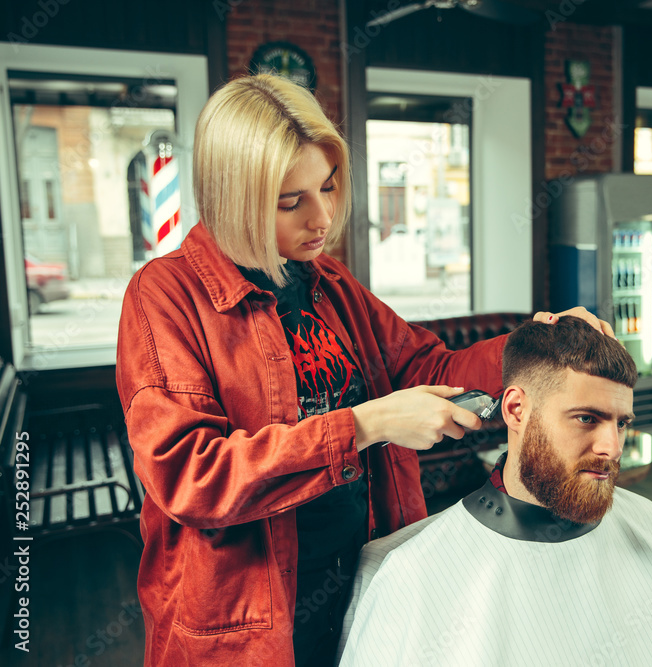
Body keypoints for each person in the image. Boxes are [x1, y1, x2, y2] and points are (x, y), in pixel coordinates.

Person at [115, 74, 611, 666]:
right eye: (289, 201)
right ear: (233, 198)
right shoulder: (164, 297)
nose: (321, 218)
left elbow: (430, 366)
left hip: (366, 583)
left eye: (327, 187)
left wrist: (536, 344)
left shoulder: (330, 284)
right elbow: (191, 477)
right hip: (248, 624)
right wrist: (361, 426)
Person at [337, 316, 652, 666]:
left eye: (621, 422)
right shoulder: (415, 573)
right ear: (515, 409)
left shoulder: (647, 522)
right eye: (587, 418)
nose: (611, 449)